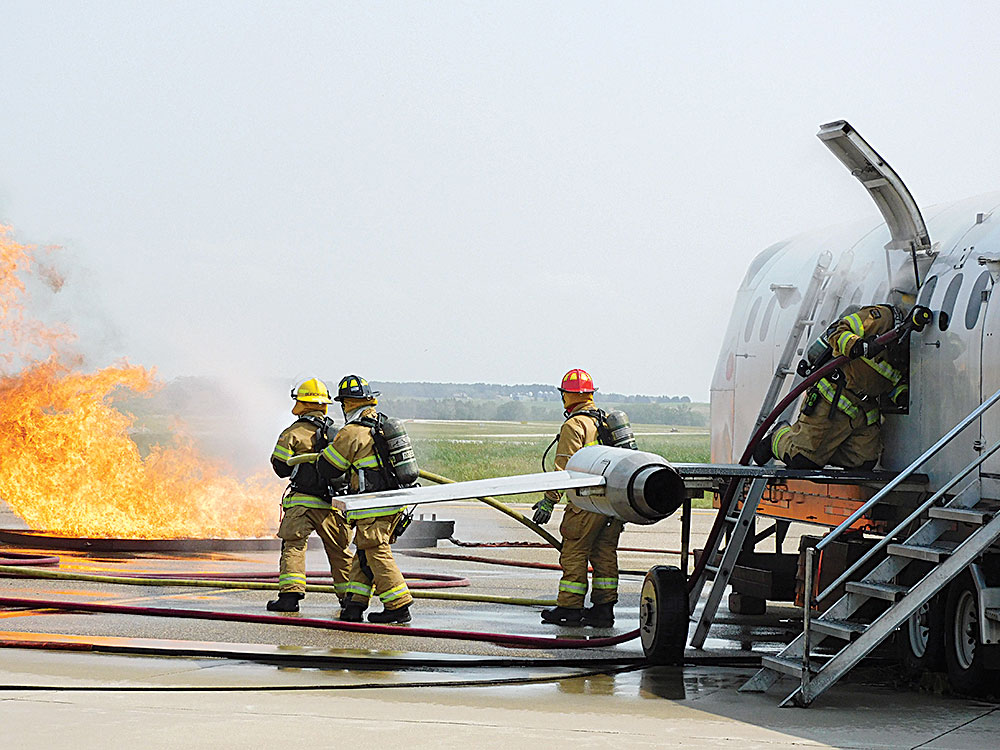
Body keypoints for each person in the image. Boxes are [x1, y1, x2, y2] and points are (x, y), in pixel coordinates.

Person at [755, 301, 911, 470]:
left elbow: (892, 380)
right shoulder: (882, 318)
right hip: (834, 399)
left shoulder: (910, 347)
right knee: (803, 460)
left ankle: (821, 451)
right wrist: (856, 345)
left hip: (864, 410)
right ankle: (778, 438)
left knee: (863, 462)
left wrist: (901, 395)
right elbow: (838, 330)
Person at [317, 375, 414, 624]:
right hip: (392, 502)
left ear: (347, 403)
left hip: (373, 505)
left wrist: (319, 455)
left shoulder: (352, 432)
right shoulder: (380, 425)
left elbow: (330, 468)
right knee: (364, 552)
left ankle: (398, 605)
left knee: (376, 551)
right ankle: (354, 604)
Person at [532, 368, 624, 627]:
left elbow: (564, 469)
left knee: (574, 551)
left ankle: (570, 609)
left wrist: (549, 501)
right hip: (611, 503)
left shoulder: (575, 425)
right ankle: (604, 610)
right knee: (605, 553)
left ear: (567, 396)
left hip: (586, 502)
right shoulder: (605, 421)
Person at [267, 378, 352, 612]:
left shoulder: (292, 433)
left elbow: (280, 467)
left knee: (294, 546)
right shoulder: (340, 433)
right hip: (333, 504)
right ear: (324, 404)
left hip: (302, 503)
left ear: (301, 404)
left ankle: (289, 598)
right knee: (340, 551)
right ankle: (350, 601)